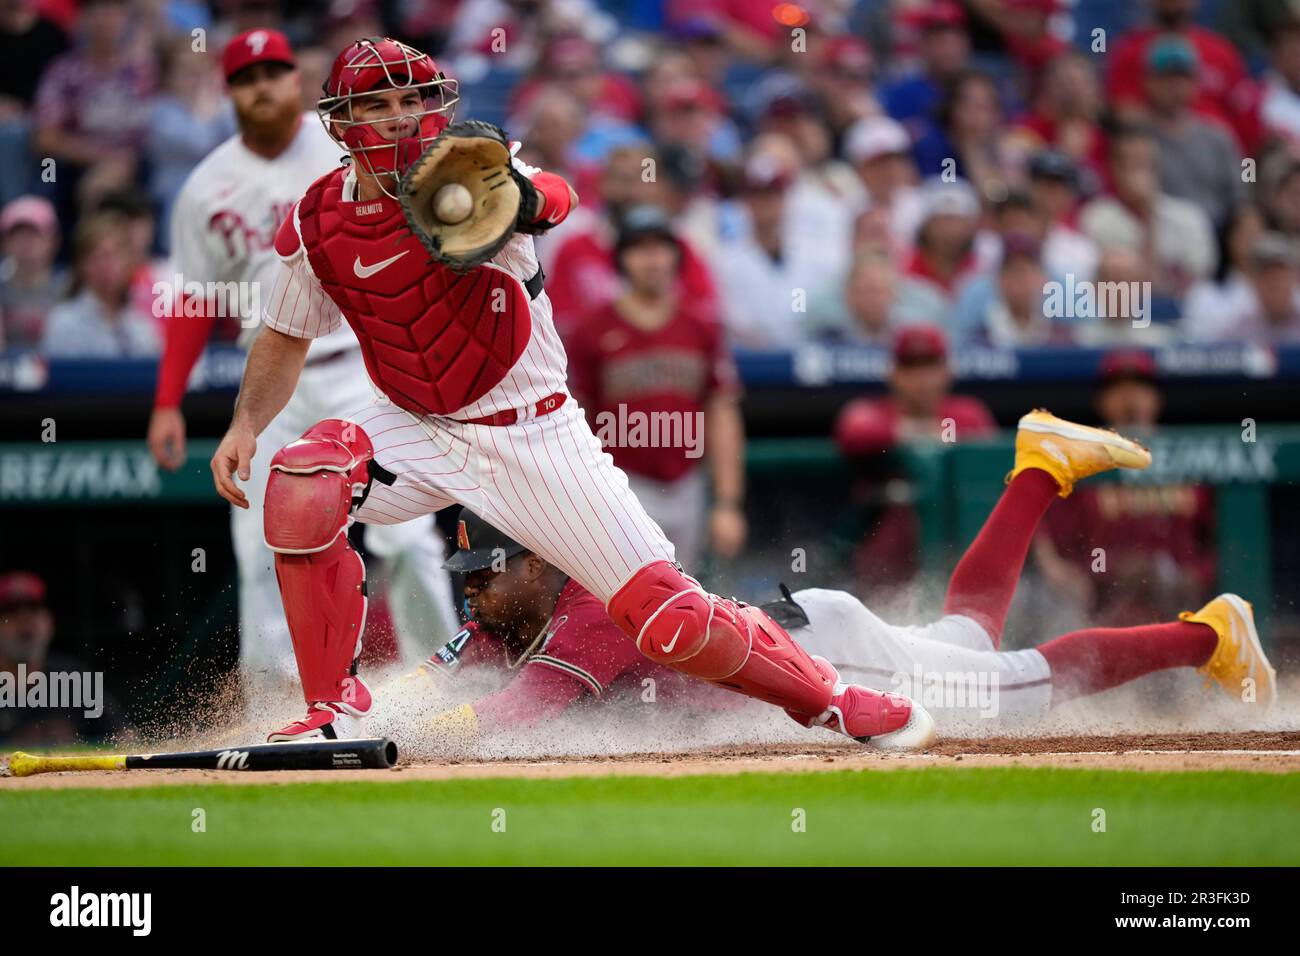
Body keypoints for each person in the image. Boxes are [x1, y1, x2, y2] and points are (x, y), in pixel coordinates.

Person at [209, 36, 931, 749]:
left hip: (531, 432)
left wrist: (517, 196)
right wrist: (245, 425)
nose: (401, 117)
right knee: (305, 476)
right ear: (340, 123)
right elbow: (284, 334)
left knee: (671, 621)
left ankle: (834, 701)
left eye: (413, 99)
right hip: (417, 425)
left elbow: (557, 196)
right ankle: (330, 710)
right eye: (378, 105)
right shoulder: (317, 220)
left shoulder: (471, 166)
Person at [410, 410, 1275, 748]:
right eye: (466, 575)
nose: (472, 591)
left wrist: (423, 736)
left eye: (488, 573)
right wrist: (378, 714)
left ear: (539, 559)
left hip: (827, 654)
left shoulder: (592, 600)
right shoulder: (503, 615)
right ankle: (1042, 467)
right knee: (970, 637)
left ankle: (1208, 636)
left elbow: (524, 707)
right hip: (808, 632)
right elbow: (437, 673)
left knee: (1016, 686)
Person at [148, 30, 458, 706]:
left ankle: (441, 687)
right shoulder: (208, 186)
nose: (262, 85)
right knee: (262, 545)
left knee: (408, 539)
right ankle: (275, 704)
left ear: (297, 81)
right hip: (271, 380)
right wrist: (168, 400)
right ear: (230, 93)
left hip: (364, 367)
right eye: (246, 76)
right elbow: (195, 300)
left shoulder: (350, 142)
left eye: (275, 71)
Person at [567, 205, 745, 569]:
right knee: (629, 590)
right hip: (620, 482)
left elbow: (722, 413)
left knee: (687, 589)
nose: (652, 259)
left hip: (687, 483)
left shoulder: (701, 325)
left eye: (661, 247)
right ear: (621, 258)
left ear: (676, 256)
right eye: (640, 248)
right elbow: (575, 419)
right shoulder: (592, 330)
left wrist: (728, 503)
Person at [1034, 352, 1218, 628]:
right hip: (1104, 613)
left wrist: (1197, 575)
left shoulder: (1190, 458)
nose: (1130, 398)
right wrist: (1099, 573)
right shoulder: (1080, 461)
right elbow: (1055, 547)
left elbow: (1222, 543)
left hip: (1182, 609)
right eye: (1118, 389)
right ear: (1101, 401)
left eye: (1141, 388)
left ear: (1157, 398)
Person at [0, 571, 126, 746]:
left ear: (49, 623)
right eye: (11, 611)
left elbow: (126, 737)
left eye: (34, 609)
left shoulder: (74, 679)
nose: (24, 620)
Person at [40, 213, 160, 358]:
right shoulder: (63, 323)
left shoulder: (141, 326)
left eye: (114, 256)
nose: (105, 266)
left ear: (129, 262)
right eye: (97, 257)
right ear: (81, 264)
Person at [0, 195, 65, 350]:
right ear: (4, 242)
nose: (26, 242)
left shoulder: (70, 286)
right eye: (17, 235)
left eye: (34, 234)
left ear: (54, 240)